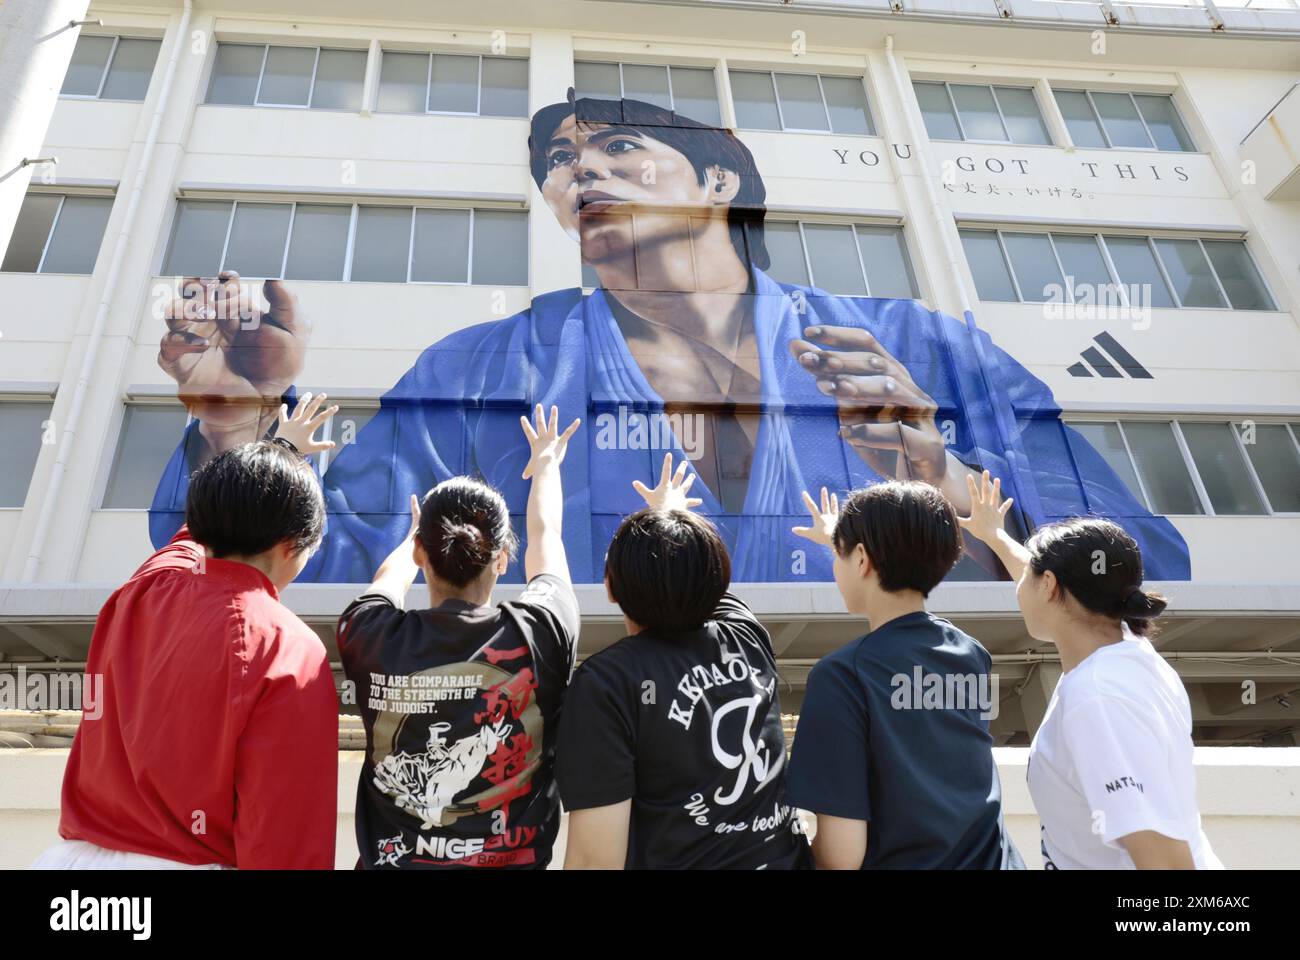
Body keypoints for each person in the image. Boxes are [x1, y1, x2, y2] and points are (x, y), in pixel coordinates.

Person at [148, 92, 1190, 585]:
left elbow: (1151, 569)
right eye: (559, 165)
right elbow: (306, 574)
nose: (577, 173)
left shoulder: (917, 347)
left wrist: (949, 477)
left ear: (720, 179)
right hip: (602, 766)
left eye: (618, 149)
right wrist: (236, 438)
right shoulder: (483, 372)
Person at [33, 394, 341, 870]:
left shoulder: (142, 589)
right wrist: (283, 459)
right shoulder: (288, 648)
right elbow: (284, 833)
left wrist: (278, 451)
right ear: (291, 546)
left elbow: (196, 535)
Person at [336, 405, 581, 869]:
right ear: (503, 557)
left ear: (420, 552)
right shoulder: (540, 631)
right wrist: (546, 463)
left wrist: (415, 541)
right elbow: (547, 538)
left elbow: (386, 584)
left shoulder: (368, 634)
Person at [555, 454, 811, 869]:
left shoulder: (607, 683)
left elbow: (593, 860)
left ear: (610, 588)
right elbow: (696, 574)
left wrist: (661, 518)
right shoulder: (746, 637)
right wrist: (669, 516)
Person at [959, 470, 1222, 869]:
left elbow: (1165, 861)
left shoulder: (1098, 698)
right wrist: (994, 535)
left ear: (1048, 586)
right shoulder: (1128, 651)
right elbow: (1044, 573)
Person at [783, 481, 1023, 869]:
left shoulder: (842, 675)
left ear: (861, 560)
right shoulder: (970, 653)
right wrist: (851, 540)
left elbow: (841, 857)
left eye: (837, 554)